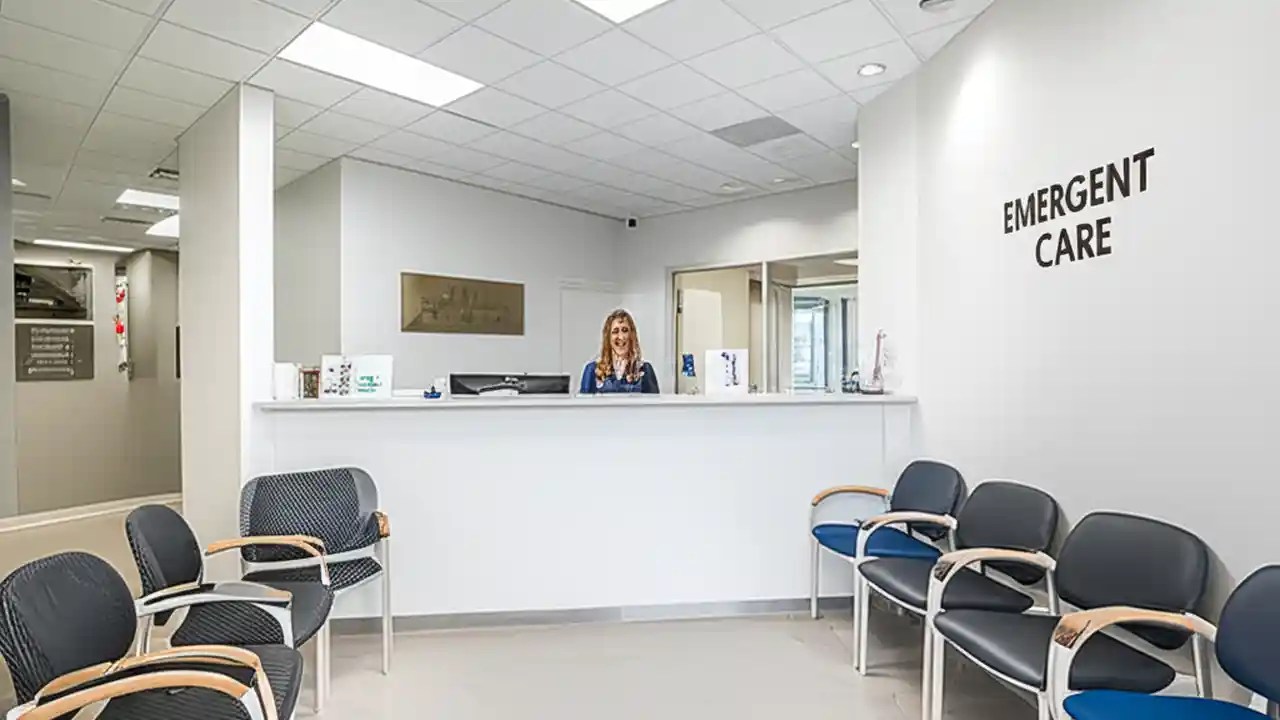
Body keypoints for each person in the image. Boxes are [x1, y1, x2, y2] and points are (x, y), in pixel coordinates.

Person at [580, 309, 659, 394]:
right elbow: (583, 406)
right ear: (608, 337)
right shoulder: (592, 370)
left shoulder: (645, 370)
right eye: (615, 332)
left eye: (625, 330)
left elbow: (654, 406)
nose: (621, 337)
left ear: (632, 335)